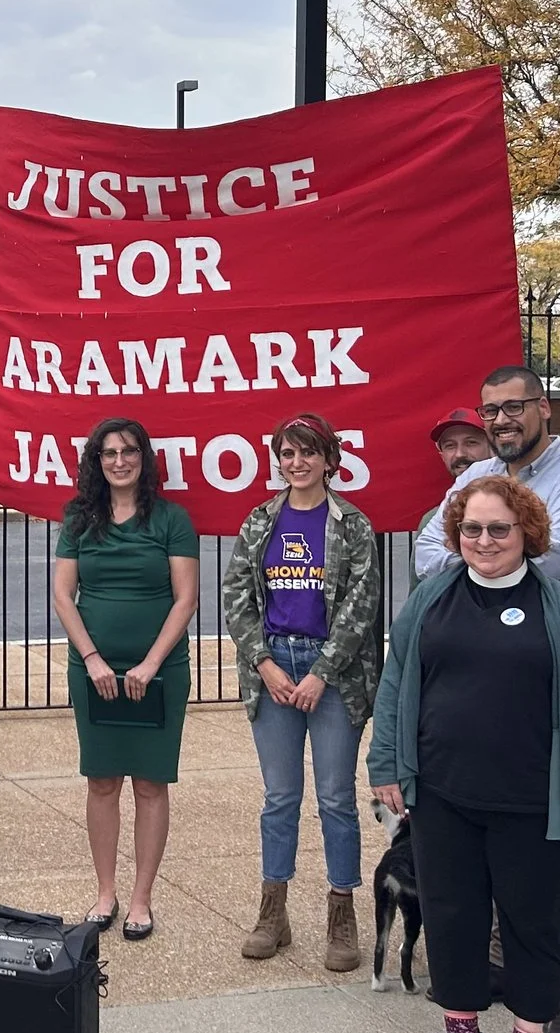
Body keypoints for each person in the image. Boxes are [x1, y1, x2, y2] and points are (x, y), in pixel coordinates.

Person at [370, 477, 560, 1033]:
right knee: (451, 918)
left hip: (534, 802)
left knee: (530, 924)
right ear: (457, 535)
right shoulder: (430, 599)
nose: (485, 541)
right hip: (443, 797)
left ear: (527, 534)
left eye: (499, 529)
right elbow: (398, 682)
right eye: (472, 529)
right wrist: (387, 764)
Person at [414, 366, 560, 1033]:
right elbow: (425, 552)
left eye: (513, 407)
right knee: (491, 838)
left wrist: (472, 558)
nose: (501, 419)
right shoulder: (471, 479)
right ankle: (511, 969)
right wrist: (469, 559)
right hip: (476, 677)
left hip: (551, 677)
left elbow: (538, 563)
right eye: (491, 409)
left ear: (544, 408)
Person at [220, 412, 380, 968]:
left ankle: (341, 913)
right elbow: (236, 594)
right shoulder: (260, 521)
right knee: (280, 798)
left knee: (336, 798)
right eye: (287, 453)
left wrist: (323, 672)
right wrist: (263, 663)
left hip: (328, 675)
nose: (297, 463)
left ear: (330, 460)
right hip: (274, 670)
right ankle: (274, 911)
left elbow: (362, 608)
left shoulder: (353, 525)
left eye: (308, 452)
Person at [54, 417, 200, 942]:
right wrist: (92, 657)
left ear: (144, 458)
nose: (119, 461)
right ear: (96, 461)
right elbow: (63, 595)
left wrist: (150, 664)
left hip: (158, 672)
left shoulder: (171, 519)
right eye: (109, 452)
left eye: (129, 451)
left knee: (150, 783)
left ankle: (141, 899)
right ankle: (105, 892)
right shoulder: (78, 520)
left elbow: (186, 599)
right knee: (102, 780)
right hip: (92, 672)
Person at [418, 408, 492, 544]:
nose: (460, 454)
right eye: (450, 446)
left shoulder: (516, 507)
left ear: (492, 447)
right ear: (442, 456)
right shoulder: (431, 523)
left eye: (471, 442)